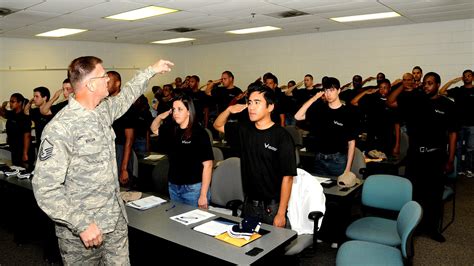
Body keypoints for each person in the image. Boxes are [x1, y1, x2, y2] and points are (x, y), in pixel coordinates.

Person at [32, 56, 173, 265]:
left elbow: (127, 95)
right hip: (83, 233)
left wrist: (151, 70)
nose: (108, 79)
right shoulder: (61, 128)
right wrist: (81, 224)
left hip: (114, 220)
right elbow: (45, 188)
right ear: (90, 84)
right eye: (103, 75)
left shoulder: (102, 110)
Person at [214, 86, 296, 228]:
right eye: (250, 102)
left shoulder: (282, 136)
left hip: (271, 207)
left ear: (270, 107)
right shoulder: (244, 129)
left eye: (257, 102)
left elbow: (287, 178)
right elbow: (217, 125)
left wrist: (281, 213)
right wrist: (228, 110)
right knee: (247, 245)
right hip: (249, 204)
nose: (251, 107)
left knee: (273, 247)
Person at [390, 71, 457, 242]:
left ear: (438, 85)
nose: (426, 86)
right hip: (415, 156)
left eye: (430, 83)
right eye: (425, 83)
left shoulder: (447, 104)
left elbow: (453, 134)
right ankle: (413, 226)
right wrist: (402, 86)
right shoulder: (415, 99)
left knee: (434, 195)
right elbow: (391, 102)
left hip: (436, 156)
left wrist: (450, 159)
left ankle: (432, 229)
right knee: (413, 192)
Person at [150, 92, 213, 208]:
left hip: (193, 188)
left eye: (180, 109)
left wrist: (203, 195)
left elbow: (208, 165)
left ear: (189, 111)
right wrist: (160, 117)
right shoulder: (172, 130)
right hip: (173, 186)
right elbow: (154, 129)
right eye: (174, 109)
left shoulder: (199, 133)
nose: (175, 113)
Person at [295, 77, 357, 177]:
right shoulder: (320, 110)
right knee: (320, 190)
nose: (328, 94)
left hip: (338, 160)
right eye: (326, 90)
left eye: (332, 90)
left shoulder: (347, 113)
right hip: (319, 159)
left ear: (339, 91)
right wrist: (314, 98)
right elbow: (298, 116)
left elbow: (351, 143)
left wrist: (348, 169)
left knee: (339, 190)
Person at [108, 70, 136, 187]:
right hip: (108, 150)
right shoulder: (106, 103)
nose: (106, 85)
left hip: (120, 151)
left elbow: (129, 140)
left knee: (122, 189)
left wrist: (124, 168)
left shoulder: (126, 106)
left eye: (109, 82)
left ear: (117, 83)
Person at [0, 93, 33, 169]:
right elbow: (2, 113)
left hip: (24, 150)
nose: (11, 104)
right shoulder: (12, 114)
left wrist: (25, 153)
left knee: (25, 173)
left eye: (13, 101)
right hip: (14, 149)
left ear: (20, 103)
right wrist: (4, 105)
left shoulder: (24, 116)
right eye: (10, 101)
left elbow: (27, 136)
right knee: (15, 171)